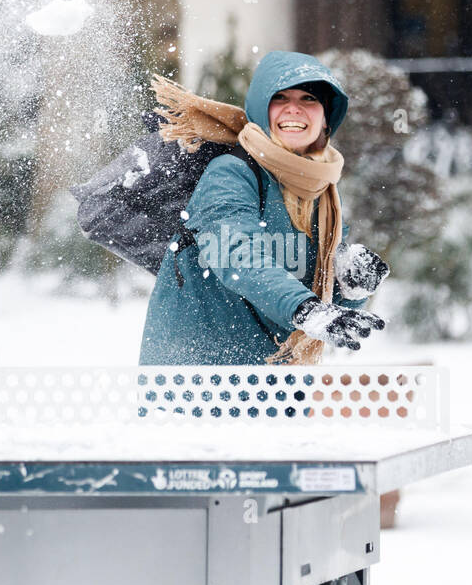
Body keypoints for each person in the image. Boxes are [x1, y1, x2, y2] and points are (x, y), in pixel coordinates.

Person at [139, 50, 389, 365]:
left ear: (326, 117)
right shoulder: (231, 172)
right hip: (198, 386)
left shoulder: (321, 192)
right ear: (261, 108)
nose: (294, 109)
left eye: (309, 98)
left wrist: (349, 288)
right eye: (280, 98)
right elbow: (235, 254)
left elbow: (319, 305)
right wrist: (305, 309)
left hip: (275, 387)